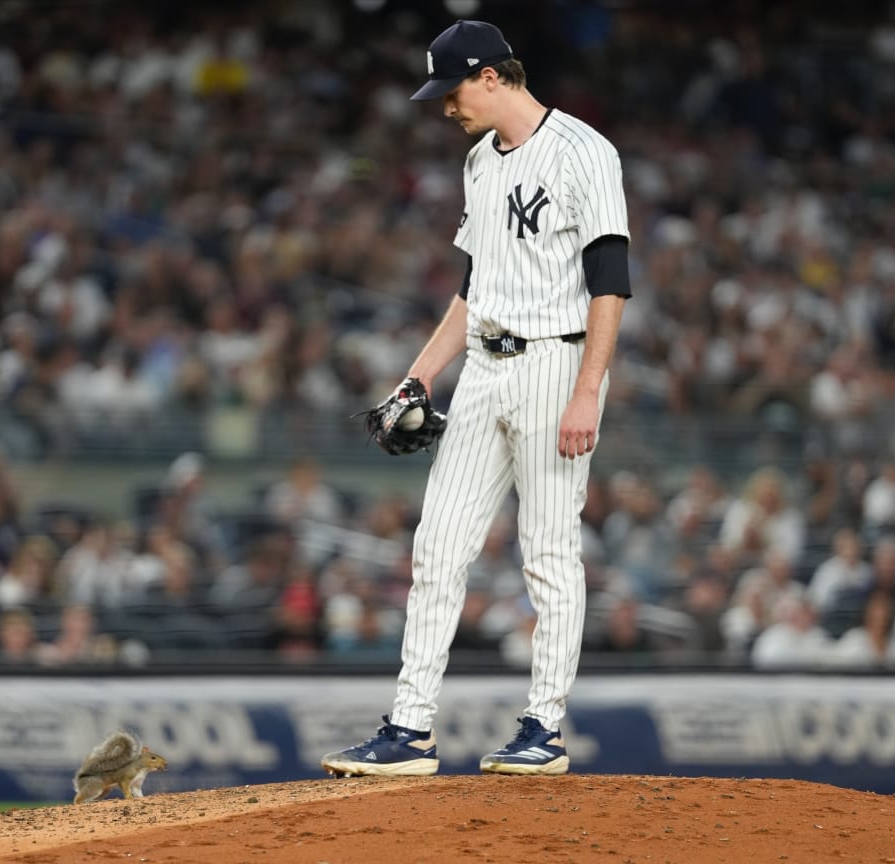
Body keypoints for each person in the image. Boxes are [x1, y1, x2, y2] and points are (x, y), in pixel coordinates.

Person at [322, 19, 631, 778]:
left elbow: (612, 282)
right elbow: (472, 290)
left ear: (492, 76)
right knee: (436, 547)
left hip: (556, 366)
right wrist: (419, 375)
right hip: (486, 369)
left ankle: (544, 727)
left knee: (549, 555)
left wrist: (589, 390)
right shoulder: (477, 164)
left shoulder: (585, 153)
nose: (445, 105)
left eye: (452, 88)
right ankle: (409, 729)